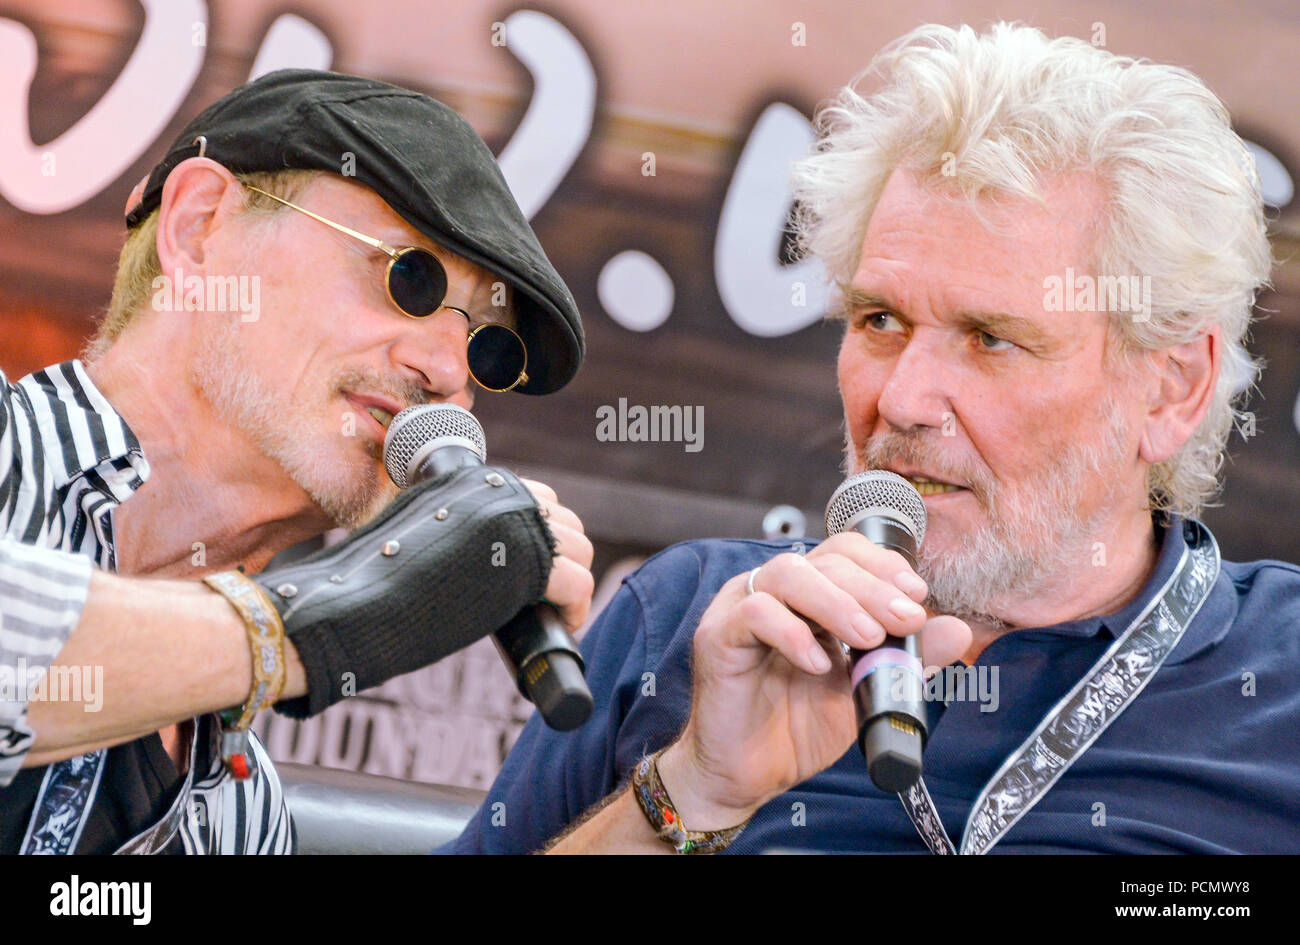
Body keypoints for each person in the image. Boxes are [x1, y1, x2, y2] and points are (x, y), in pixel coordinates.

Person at [443, 23, 1299, 854]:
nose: (903, 397)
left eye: (991, 337)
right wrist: (691, 794)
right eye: (880, 318)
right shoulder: (688, 622)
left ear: (1172, 386)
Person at [0, 69, 594, 854]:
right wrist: (335, 618)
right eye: (409, 277)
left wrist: (691, 790)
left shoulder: (240, 814)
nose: (448, 371)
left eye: (488, 347)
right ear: (200, 228)